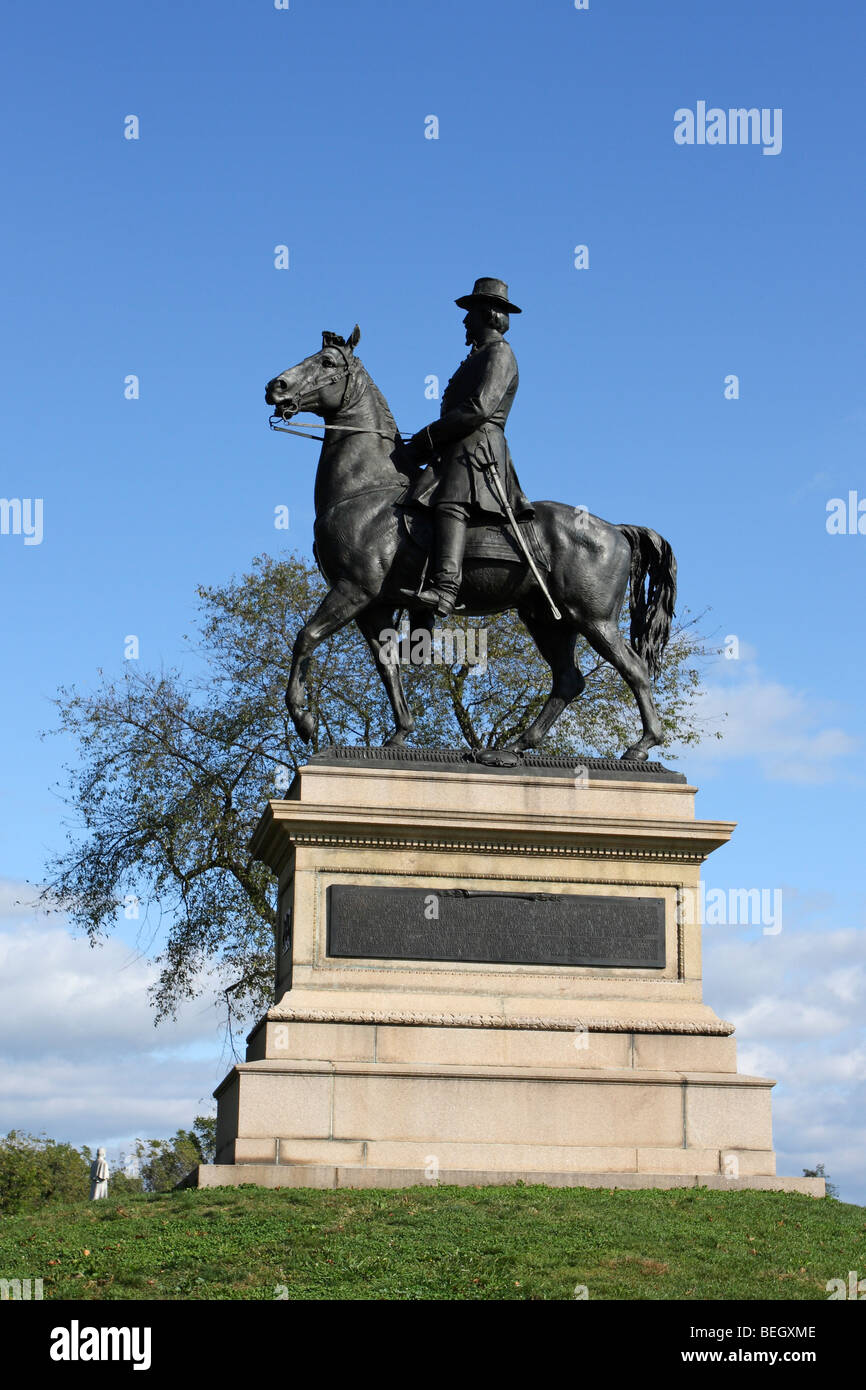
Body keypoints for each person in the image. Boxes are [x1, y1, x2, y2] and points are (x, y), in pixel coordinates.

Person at [401, 277, 533, 617]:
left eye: (469, 313)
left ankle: (445, 590)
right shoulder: (477, 356)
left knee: (449, 503)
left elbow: (479, 408)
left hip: (478, 450)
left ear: (488, 314)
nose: (464, 321)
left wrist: (430, 434)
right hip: (458, 446)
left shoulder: (500, 353)